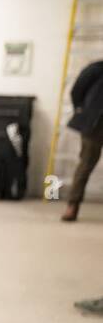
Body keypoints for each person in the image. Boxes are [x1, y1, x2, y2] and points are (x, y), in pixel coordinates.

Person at [61, 59, 103, 221]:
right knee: (86, 164)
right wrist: (82, 111)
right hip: (95, 124)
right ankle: (73, 205)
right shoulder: (96, 69)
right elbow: (77, 90)